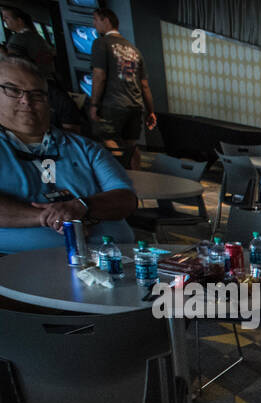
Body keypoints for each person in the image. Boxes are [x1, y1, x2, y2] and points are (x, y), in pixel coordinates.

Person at [0, 54, 136, 255]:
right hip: (24, 268)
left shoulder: (85, 148)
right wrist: (50, 217)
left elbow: (126, 199)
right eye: (13, 90)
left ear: (48, 102)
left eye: (37, 94)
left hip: (113, 258)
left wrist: (82, 206)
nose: (26, 101)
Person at [88, 6, 155, 169]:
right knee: (130, 147)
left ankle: (121, 176)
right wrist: (150, 111)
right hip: (134, 106)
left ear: (106, 20)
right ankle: (136, 183)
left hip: (112, 104)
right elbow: (144, 85)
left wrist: (94, 104)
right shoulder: (134, 50)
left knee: (106, 137)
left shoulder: (101, 43)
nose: (94, 24)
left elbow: (99, 76)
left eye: (96, 19)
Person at [1, 6, 54, 78]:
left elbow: (12, 63)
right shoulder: (38, 37)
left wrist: (1, 51)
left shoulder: (19, 38)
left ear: (19, 21)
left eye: (6, 18)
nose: (4, 20)